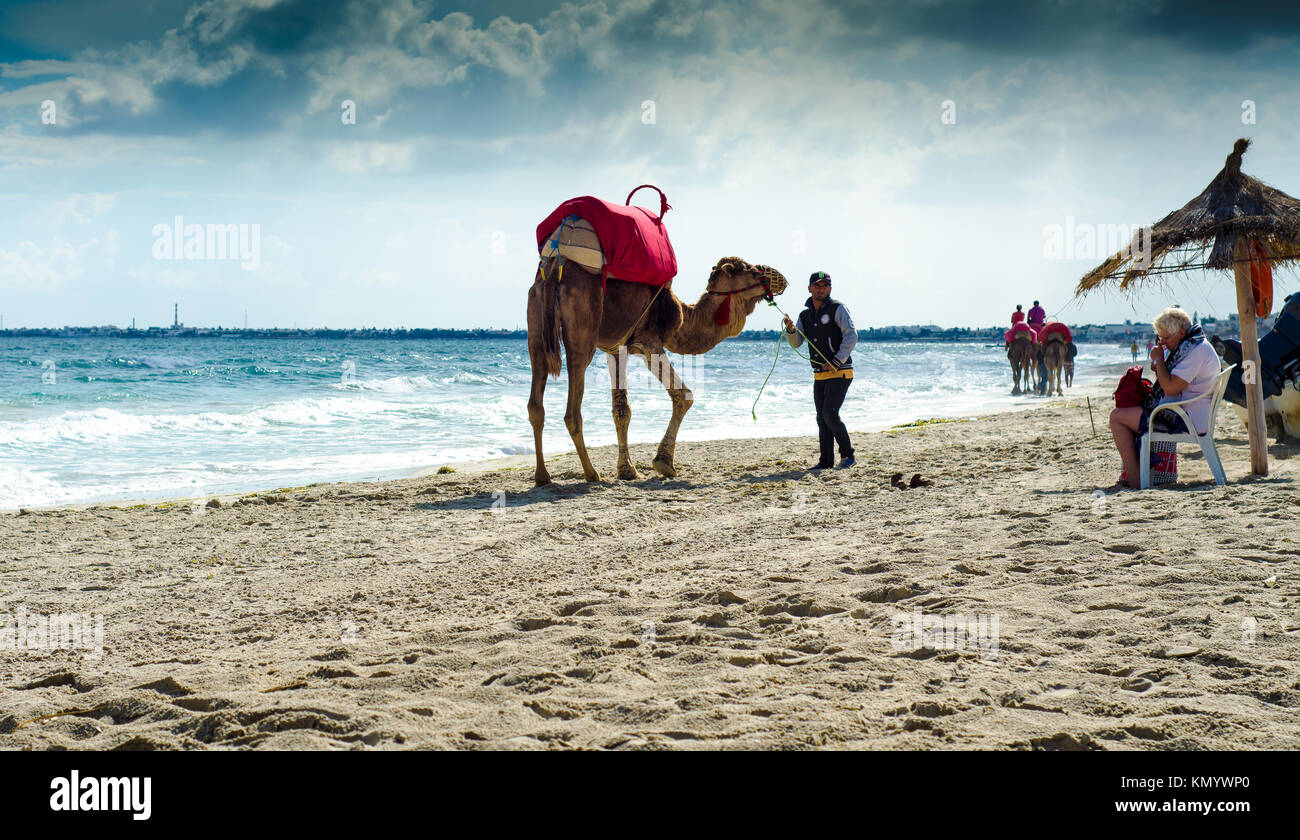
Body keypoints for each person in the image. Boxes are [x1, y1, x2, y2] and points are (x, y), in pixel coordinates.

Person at [1108, 307, 1221, 488]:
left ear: (1181, 333)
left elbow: (1169, 388)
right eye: (1160, 338)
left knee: (1117, 417)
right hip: (1187, 410)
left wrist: (1160, 360)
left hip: (1187, 418)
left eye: (1166, 338)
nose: (1163, 343)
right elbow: (1172, 382)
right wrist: (1160, 367)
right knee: (1128, 411)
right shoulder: (1192, 345)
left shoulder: (1196, 351)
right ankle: (1137, 474)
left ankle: (1135, 479)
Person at [784, 271, 857, 470]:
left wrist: (836, 361)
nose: (821, 288)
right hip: (819, 375)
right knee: (821, 418)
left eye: (825, 285)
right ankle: (825, 462)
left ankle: (848, 456)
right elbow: (796, 343)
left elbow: (851, 336)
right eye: (817, 285)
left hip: (841, 372)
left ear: (830, 289)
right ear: (809, 288)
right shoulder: (804, 315)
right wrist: (791, 330)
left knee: (830, 414)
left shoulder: (838, 308)